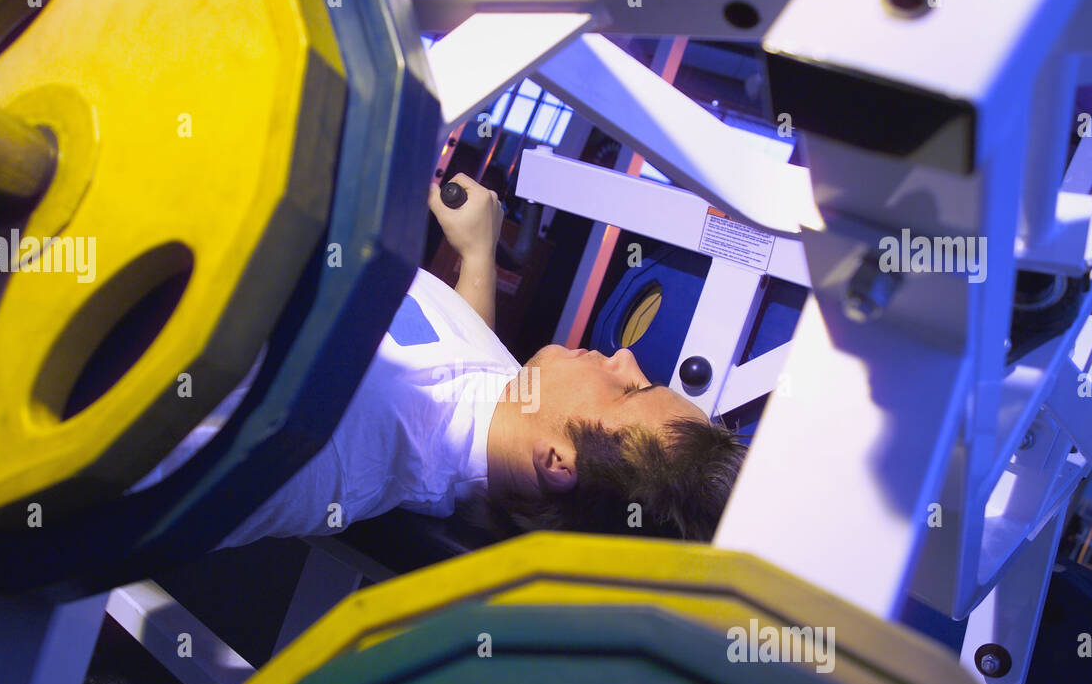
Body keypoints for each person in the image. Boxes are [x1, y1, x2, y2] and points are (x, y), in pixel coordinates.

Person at [135, 174, 745, 546]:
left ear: (558, 462)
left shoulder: (339, 447)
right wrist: (477, 253)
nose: (626, 355)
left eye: (629, 391)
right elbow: (475, 371)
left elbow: (142, 467)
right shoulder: (516, 407)